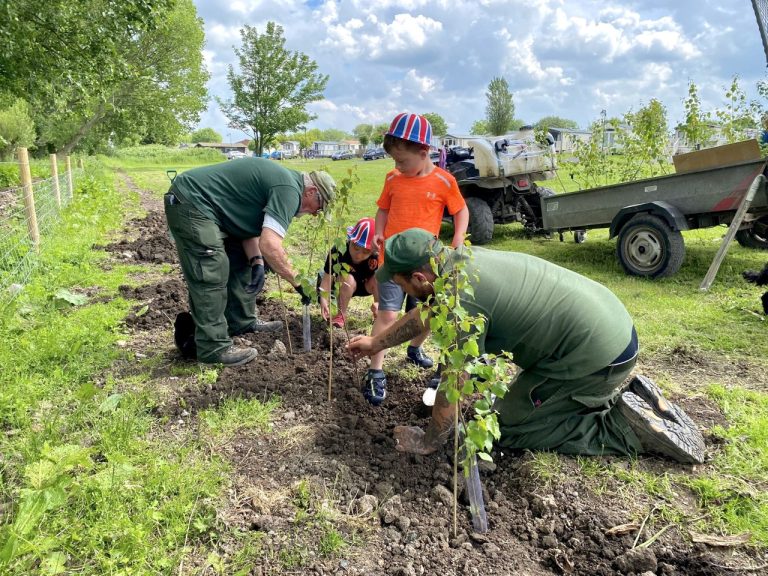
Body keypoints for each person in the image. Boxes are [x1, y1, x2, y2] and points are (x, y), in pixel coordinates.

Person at [348, 228, 705, 464]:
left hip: (595, 355)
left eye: (399, 284)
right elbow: (429, 313)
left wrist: (430, 441)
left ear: (419, 278)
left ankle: (622, 428)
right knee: (506, 407)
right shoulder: (459, 263)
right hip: (610, 326)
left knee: (507, 427)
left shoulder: (463, 300)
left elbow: (453, 384)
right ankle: (613, 397)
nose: (402, 291)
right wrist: (376, 342)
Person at [164, 158, 335, 366]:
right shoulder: (289, 190)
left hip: (213, 210)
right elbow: (271, 245)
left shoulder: (286, 184)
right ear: (310, 191)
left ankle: (240, 322)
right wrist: (298, 283)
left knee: (240, 259)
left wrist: (257, 262)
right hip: (193, 201)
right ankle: (212, 349)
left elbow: (247, 226)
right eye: (320, 205)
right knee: (211, 269)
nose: (317, 213)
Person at [363, 113, 469, 406]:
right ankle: (376, 370)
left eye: (403, 161)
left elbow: (460, 211)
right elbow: (383, 209)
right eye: (395, 161)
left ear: (424, 153)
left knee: (428, 314)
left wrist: (458, 239)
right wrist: (379, 232)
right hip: (393, 263)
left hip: (426, 267)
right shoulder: (392, 179)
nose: (397, 166)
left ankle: (414, 348)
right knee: (387, 314)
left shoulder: (445, 181)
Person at [317, 217, 380, 328]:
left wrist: (380, 303)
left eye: (366, 252)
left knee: (378, 278)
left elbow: (386, 283)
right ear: (350, 240)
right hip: (345, 285)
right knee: (348, 279)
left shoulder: (376, 258)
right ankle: (341, 315)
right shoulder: (338, 251)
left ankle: (379, 314)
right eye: (356, 248)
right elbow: (327, 279)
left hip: (367, 285)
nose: (359, 254)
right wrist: (323, 299)